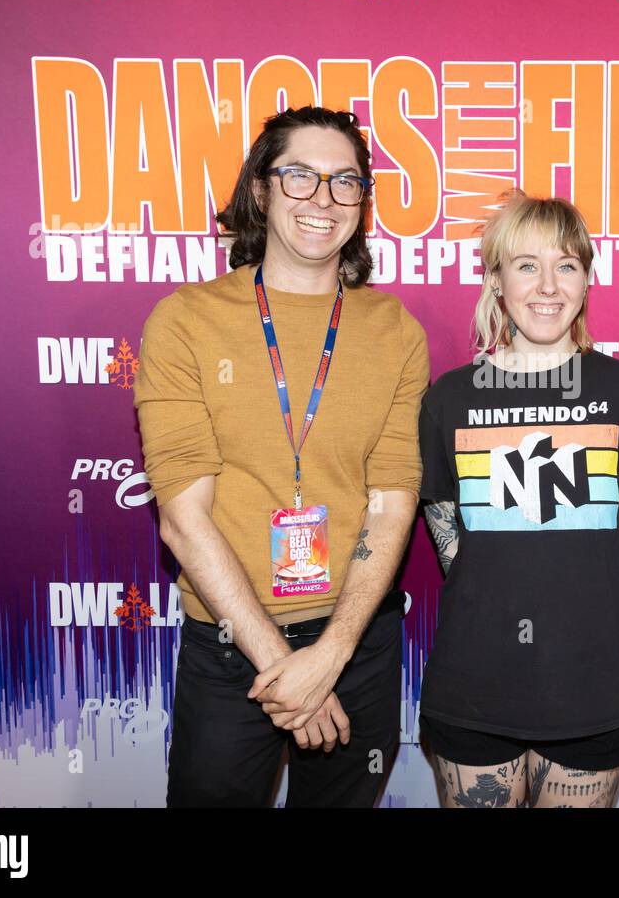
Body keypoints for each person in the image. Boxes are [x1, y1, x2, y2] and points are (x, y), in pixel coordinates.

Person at [134, 105, 429, 807]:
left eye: (345, 182)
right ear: (261, 191)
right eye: (300, 176)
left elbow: (393, 506)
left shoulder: (396, 332)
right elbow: (183, 518)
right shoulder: (184, 321)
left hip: (357, 645)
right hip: (232, 647)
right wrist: (284, 666)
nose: (323, 200)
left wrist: (328, 657)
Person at [418, 191, 619, 808]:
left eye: (567, 265)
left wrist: (599, 607)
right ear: (497, 280)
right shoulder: (450, 398)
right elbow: (448, 532)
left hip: (590, 684)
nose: (548, 285)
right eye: (527, 265)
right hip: (474, 683)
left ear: (586, 279)